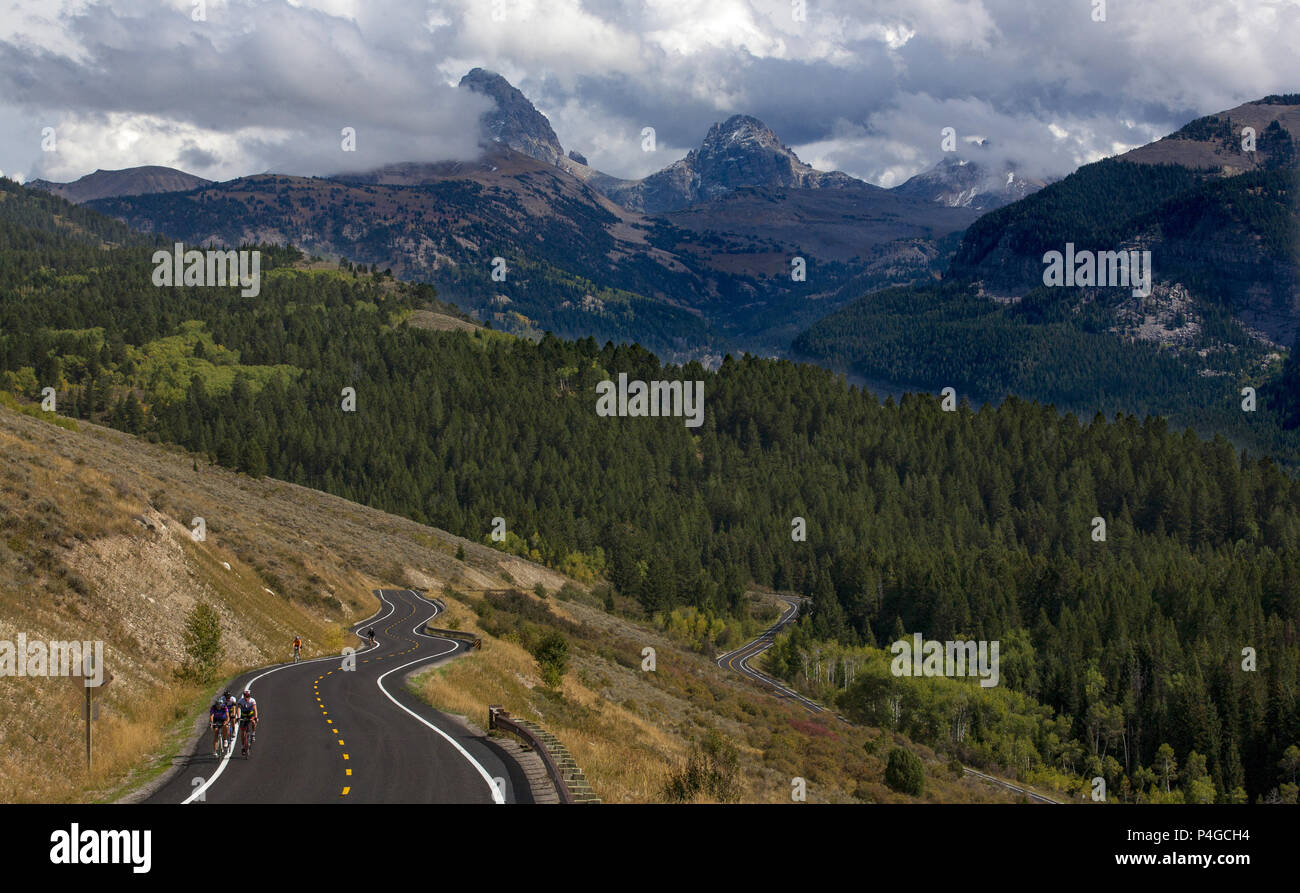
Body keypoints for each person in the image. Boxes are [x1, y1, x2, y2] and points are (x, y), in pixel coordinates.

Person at [236, 688, 258, 756]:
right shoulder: (240, 701)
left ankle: (253, 733)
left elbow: (255, 710)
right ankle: (242, 746)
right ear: (244, 696)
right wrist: (238, 717)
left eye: (248, 696)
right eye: (246, 696)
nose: (247, 698)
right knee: (242, 732)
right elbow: (239, 709)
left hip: (250, 715)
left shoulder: (252, 700)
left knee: (254, 722)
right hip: (243, 716)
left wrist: (255, 717)